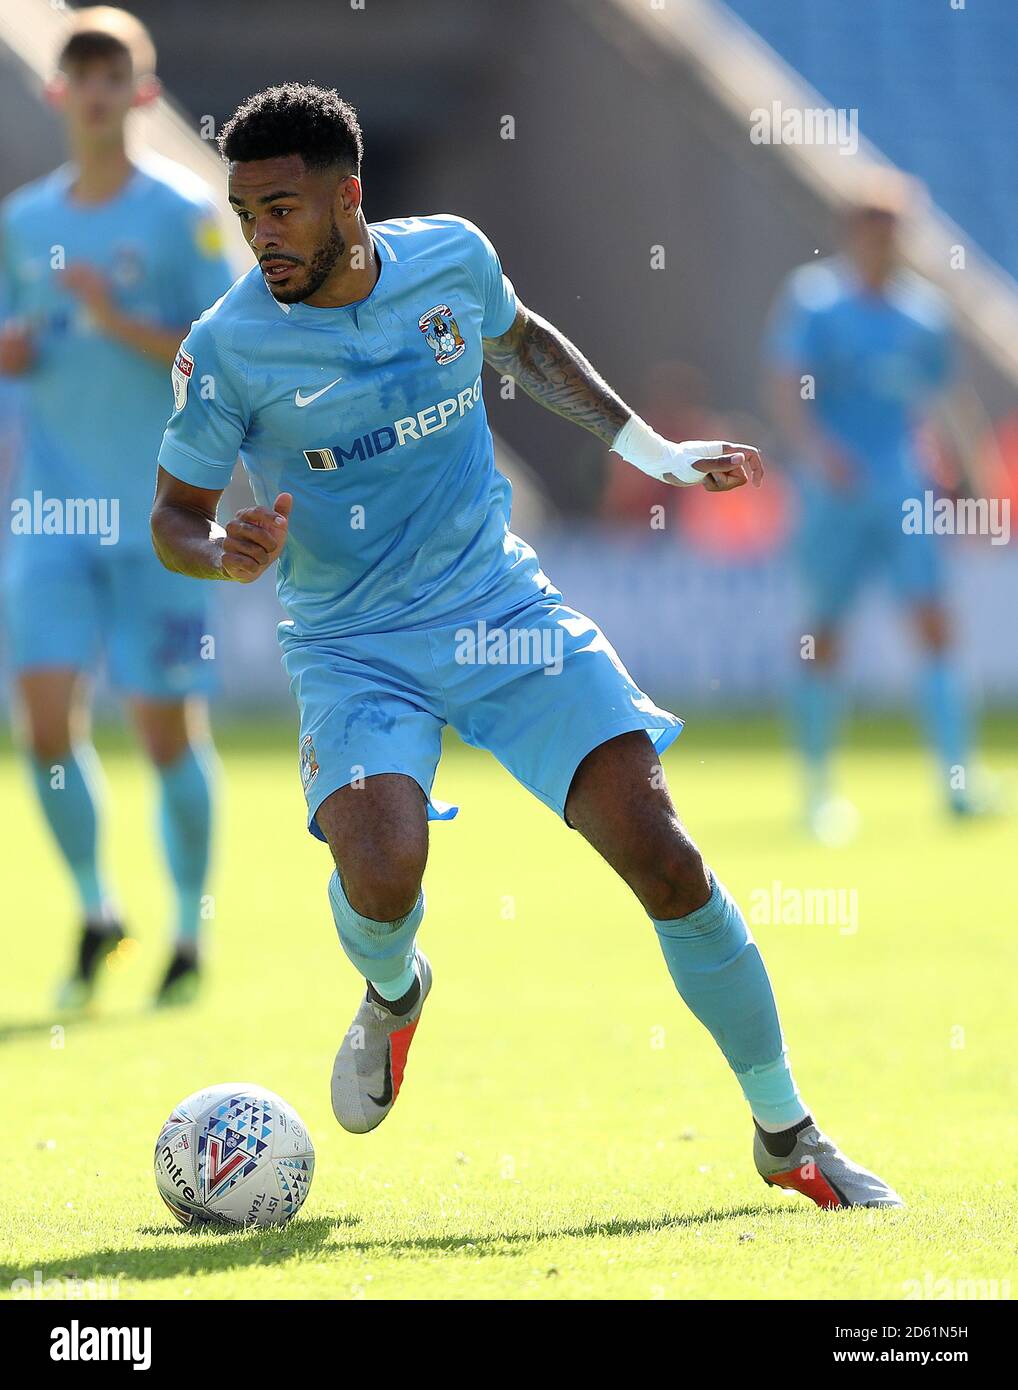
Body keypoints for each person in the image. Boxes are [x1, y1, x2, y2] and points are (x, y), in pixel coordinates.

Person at [151, 83, 901, 1209]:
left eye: (284, 210)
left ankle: (786, 1132)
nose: (262, 237)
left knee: (662, 851)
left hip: (500, 606)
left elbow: (523, 341)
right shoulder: (228, 347)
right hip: (351, 641)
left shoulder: (451, 259)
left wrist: (651, 450)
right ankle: (395, 991)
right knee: (382, 866)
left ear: (349, 199)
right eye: (247, 212)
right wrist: (225, 552)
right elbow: (173, 516)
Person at [0, 8, 233, 1005]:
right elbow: (24, 338)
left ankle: (186, 930)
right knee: (45, 723)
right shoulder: (24, 221)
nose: (95, 94)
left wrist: (115, 320)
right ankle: (99, 911)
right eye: (80, 76)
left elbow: (216, 350)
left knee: (164, 727)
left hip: (157, 517)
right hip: (50, 516)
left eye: (114, 77)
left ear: (140, 92)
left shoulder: (183, 212)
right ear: (58, 94)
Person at [766, 173, 987, 838]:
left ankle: (957, 781)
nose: (885, 242)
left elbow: (947, 397)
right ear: (852, 232)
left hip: (904, 487)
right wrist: (815, 453)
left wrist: (974, 475)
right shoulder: (815, 302)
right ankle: (817, 789)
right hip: (835, 490)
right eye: (875, 228)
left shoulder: (925, 312)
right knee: (824, 631)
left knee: (933, 621)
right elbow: (785, 388)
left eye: (895, 230)